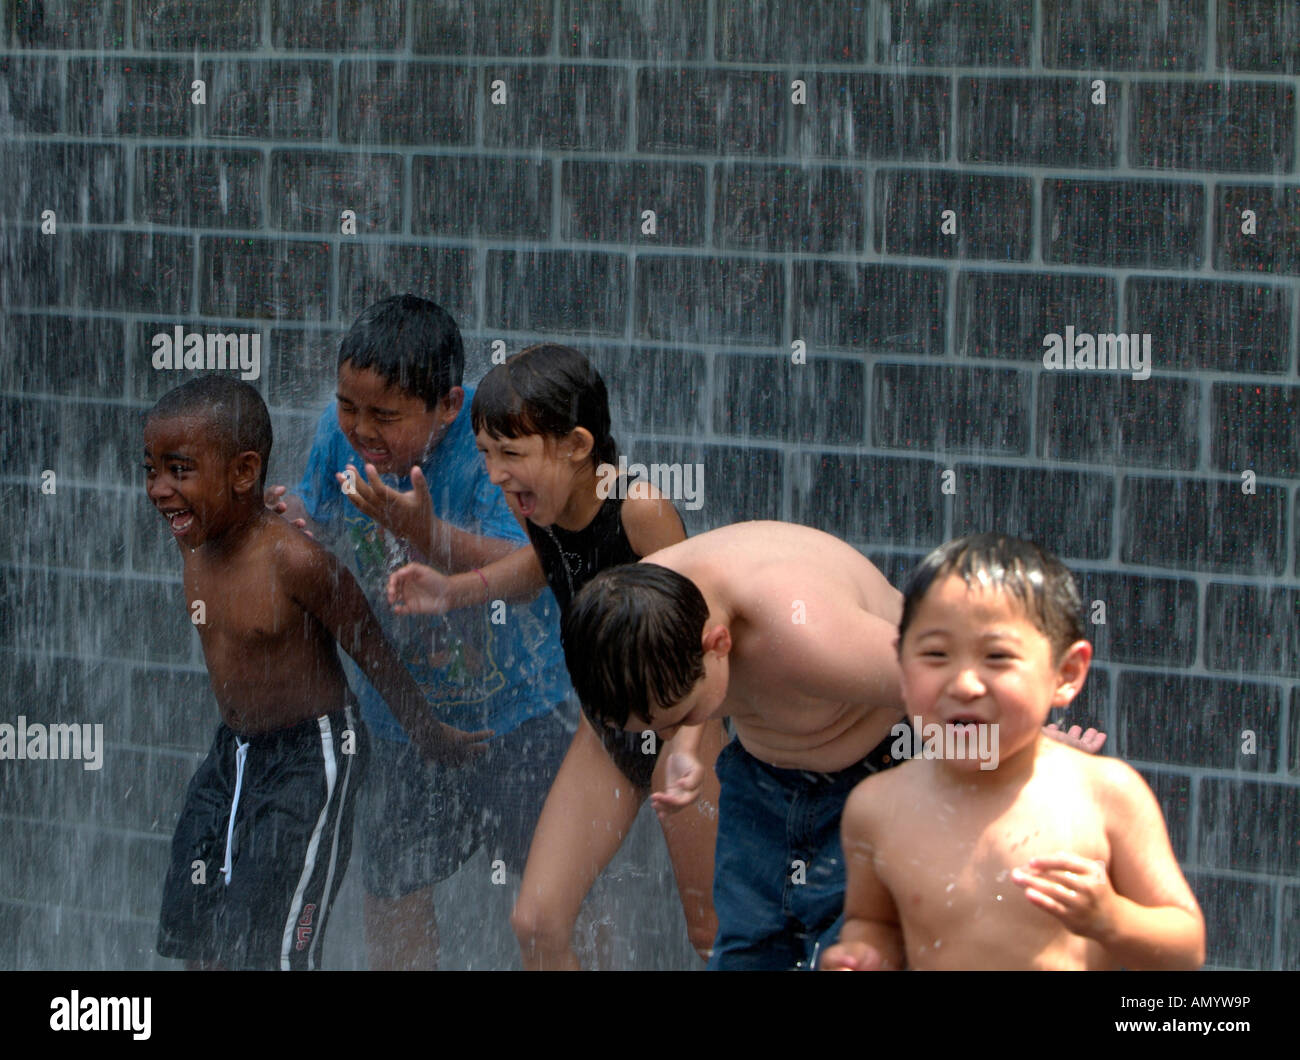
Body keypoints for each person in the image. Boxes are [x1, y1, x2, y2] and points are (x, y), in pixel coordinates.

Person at [559, 521, 1106, 970]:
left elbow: (940, 685)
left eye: (683, 715)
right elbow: (679, 679)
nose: (664, 733)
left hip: (876, 777)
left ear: (717, 644)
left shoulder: (806, 637)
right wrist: (685, 740)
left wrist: (1025, 746)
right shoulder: (637, 609)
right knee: (747, 952)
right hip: (762, 777)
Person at [387, 344, 725, 969]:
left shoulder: (641, 511)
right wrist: (452, 590)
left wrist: (688, 745)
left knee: (709, 929)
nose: (493, 474)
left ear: (575, 444)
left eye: (510, 454)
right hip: (607, 730)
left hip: (684, 730)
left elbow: (706, 643)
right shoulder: (544, 504)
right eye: (486, 454)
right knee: (537, 922)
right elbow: (548, 565)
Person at [268, 295, 575, 970]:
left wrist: (423, 534)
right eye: (349, 406)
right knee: (394, 887)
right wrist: (287, 518)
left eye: (383, 415)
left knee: (551, 906)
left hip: (521, 713)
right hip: (405, 718)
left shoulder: (493, 443)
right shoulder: (337, 434)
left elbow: (533, 565)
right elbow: (315, 520)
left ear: (446, 404)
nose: (359, 428)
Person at [146, 376, 483, 971]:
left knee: (273, 946)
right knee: (197, 922)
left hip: (313, 757)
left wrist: (428, 730)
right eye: (150, 470)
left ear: (243, 472)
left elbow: (370, 647)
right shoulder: (196, 536)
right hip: (235, 754)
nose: (159, 490)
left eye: (178, 470)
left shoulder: (296, 562)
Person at [821, 534, 1205, 970]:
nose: (965, 685)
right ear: (902, 667)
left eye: (998, 656)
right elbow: (873, 922)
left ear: (1066, 673)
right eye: (935, 654)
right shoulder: (876, 806)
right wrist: (864, 954)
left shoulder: (1104, 794)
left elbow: (1186, 948)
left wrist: (1111, 919)